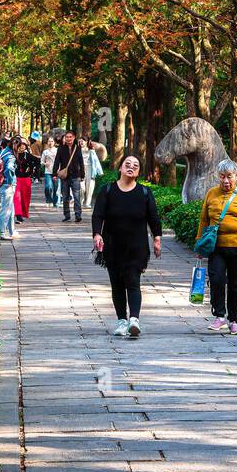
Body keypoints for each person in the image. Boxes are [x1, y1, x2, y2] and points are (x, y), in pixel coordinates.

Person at [92, 153, 162, 338]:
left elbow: (153, 217)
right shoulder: (107, 190)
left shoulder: (145, 193)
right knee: (117, 284)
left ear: (138, 172)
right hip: (113, 246)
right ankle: (122, 320)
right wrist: (97, 234)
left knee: (133, 281)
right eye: (127, 164)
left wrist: (157, 238)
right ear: (120, 168)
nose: (131, 167)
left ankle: (134, 320)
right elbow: (98, 215)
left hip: (136, 247)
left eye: (135, 166)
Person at [196, 158, 237, 335]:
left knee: (236, 284)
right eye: (222, 177)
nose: (226, 181)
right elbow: (204, 220)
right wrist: (200, 243)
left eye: (229, 177)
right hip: (216, 247)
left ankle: (234, 320)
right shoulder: (211, 194)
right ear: (218, 177)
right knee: (216, 280)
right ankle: (219, 316)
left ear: (236, 176)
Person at [53, 131, 85, 223]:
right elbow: (56, 161)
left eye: (70, 137)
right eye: (67, 137)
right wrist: (54, 174)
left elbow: (81, 162)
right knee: (65, 196)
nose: (68, 139)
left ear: (74, 137)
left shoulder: (77, 148)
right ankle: (67, 215)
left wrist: (82, 174)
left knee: (76, 196)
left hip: (76, 175)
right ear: (65, 138)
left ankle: (78, 215)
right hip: (65, 177)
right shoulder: (61, 148)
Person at [0, 136, 18, 241]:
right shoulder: (11, 156)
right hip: (8, 184)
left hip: (2, 183)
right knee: (6, 209)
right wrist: (9, 180)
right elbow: (9, 168)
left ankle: (11, 230)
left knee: (10, 208)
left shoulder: (4, 152)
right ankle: (1, 232)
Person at [13, 137, 39, 223]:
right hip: (16, 179)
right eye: (20, 145)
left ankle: (23, 213)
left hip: (26, 179)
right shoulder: (13, 155)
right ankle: (18, 215)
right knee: (16, 197)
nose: (22, 147)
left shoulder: (28, 155)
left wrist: (32, 170)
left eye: (24, 145)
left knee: (25, 198)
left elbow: (37, 161)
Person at [82, 138, 103, 209]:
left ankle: (87, 203)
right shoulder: (77, 151)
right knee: (81, 188)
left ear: (87, 142)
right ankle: (80, 201)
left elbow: (96, 161)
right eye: (80, 141)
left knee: (90, 187)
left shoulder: (91, 151)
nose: (81, 142)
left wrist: (100, 171)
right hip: (80, 170)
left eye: (83, 141)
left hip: (90, 170)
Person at [41, 138, 59, 206]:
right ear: (47, 142)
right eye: (49, 141)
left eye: (52, 141)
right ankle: (49, 200)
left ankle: (55, 202)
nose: (50, 142)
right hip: (48, 172)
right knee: (48, 187)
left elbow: (61, 161)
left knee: (56, 188)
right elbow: (42, 161)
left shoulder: (57, 151)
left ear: (54, 142)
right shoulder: (45, 151)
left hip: (56, 171)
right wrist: (45, 164)